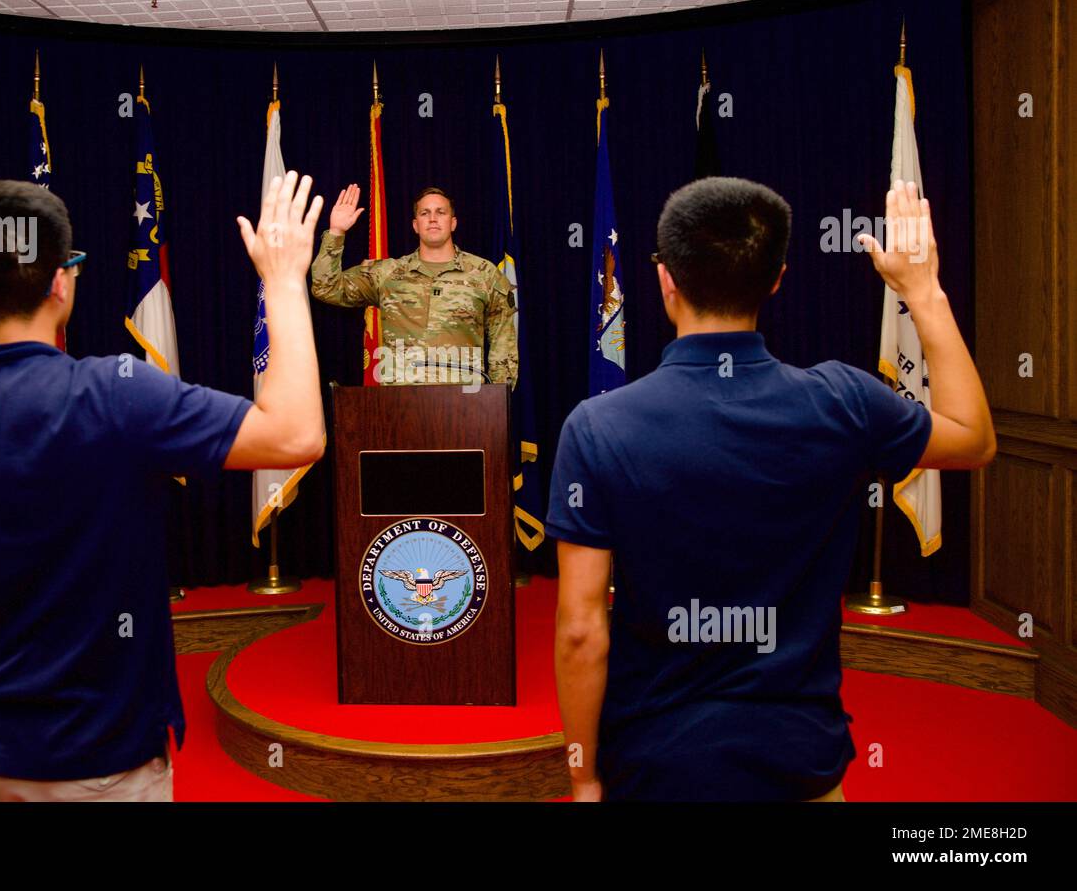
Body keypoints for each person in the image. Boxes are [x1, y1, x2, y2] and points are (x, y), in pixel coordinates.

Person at [0, 173, 325, 801]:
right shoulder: (117, 394)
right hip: (101, 769)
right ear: (59, 281)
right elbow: (296, 435)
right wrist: (285, 276)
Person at [547, 178, 995, 801]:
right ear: (777, 279)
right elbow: (974, 439)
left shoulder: (596, 427)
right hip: (800, 760)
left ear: (665, 281)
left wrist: (584, 776)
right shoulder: (845, 402)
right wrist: (923, 290)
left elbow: (580, 628)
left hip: (656, 764)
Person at [310, 185, 517, 386]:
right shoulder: (388, 274)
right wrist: (336, 232)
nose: (433, 219)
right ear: (415, 225)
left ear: (453, 223)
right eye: (425, 213)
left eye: (440, 212)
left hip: (467, 403)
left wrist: (497, 400)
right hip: (401, 405)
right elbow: (326, 288)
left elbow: (503, 341)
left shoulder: (484, 274)